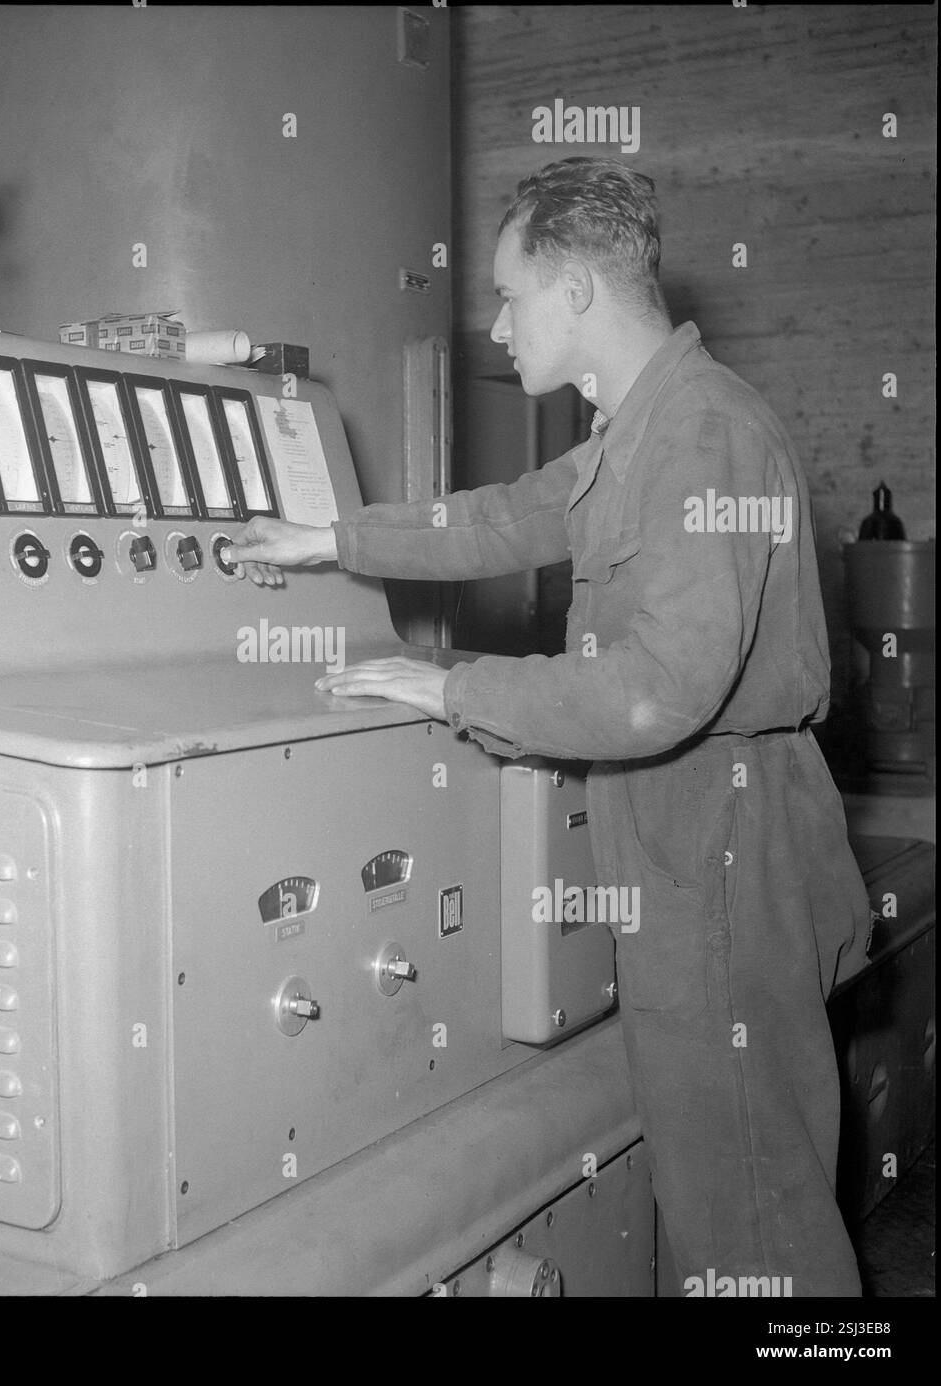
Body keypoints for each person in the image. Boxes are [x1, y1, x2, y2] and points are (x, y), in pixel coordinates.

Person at [226, 157, 873, 1297]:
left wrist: (454, 692)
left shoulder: (702, 434)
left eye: (509, 293)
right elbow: (506, 519)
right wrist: (333, 538)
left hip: (721, 854)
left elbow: (659, 689)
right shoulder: (641, 428)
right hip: (686, 850)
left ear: (574, 291)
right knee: (714, 1196)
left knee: (756, 1225)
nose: (493, 320)